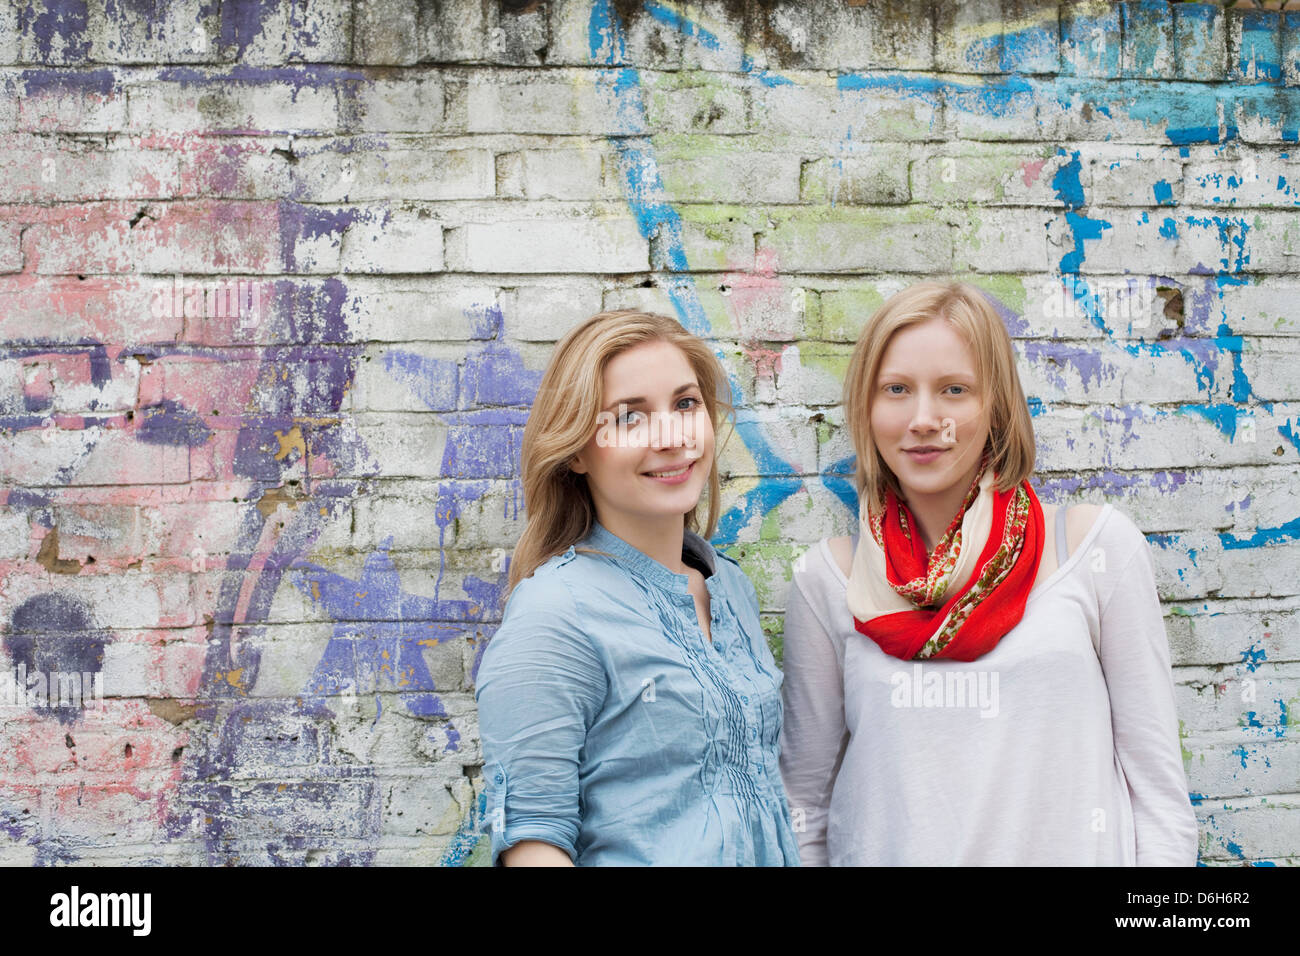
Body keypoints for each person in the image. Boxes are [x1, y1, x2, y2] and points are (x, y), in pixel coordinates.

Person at [779, 280, 1198, 865]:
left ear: (996, 406)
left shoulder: (1094, 551)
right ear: (867, 410)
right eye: (896, 389)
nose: (924, 419)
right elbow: (803, 807)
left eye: (954, 390)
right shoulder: (828, 580)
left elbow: (1160, 802)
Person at [475, 309, 800, 866]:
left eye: (686, 404)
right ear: (577, 450)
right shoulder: (556, 612)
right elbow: (533, 844)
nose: (672, 437)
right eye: (629, 417)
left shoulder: (732, 590)